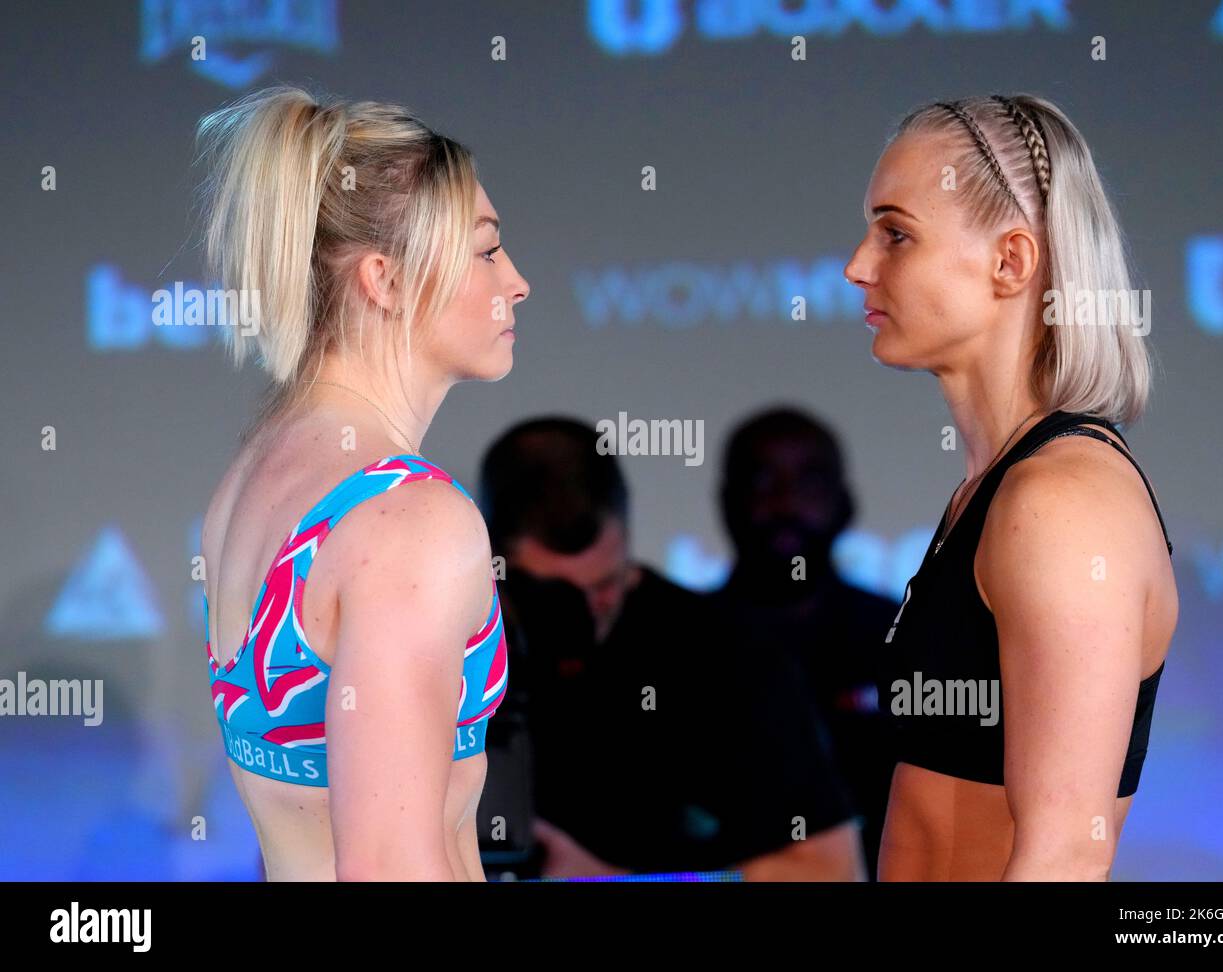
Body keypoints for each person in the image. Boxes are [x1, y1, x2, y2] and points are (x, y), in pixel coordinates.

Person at [195, 85, 529, 880]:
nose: (516, 282)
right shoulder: (410, 521)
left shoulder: (256, 472)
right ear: (384, 279)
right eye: (486, 250)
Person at [843, 94, 1177, 880]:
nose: (858, 265)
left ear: (1011, 262)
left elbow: (1066, 853)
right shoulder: (998, 489)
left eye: (896, 233)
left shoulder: (1060, 504)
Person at [479, 418, 864, 880]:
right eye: (553, 597)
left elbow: (829, 869)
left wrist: (612, 881)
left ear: (626, 536)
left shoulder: (724, 654)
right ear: (493, 560)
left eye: (605, 585)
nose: (584, 614)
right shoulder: (444, 656)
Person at [710, 406, 899, 879]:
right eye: (761, 481)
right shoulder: (674, 643)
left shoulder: (907, 637)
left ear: (845, 502)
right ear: (727, 502)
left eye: (809, 482)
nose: (784, 502)